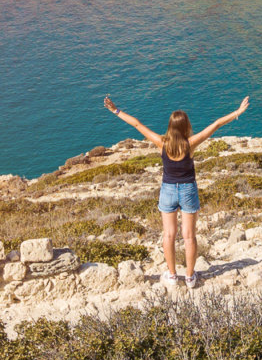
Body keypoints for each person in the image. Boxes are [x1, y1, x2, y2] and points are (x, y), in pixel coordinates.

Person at [103, 95, 249, 288]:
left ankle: (172, 275)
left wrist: (116, 110)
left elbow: (137, 125)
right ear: (186, 126)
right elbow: (216, 125)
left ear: (170, 127)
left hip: (168, 191)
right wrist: (238, 112)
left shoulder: (161, 143)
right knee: (189, 236)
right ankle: (189, 277)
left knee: (169, 235)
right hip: (188, 190)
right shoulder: (190, 144)